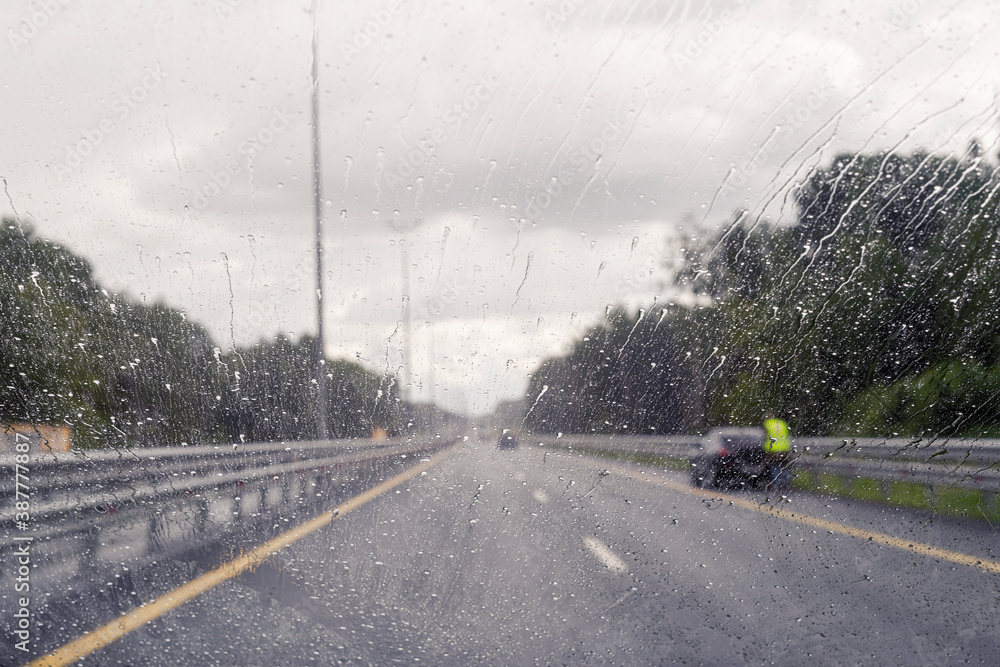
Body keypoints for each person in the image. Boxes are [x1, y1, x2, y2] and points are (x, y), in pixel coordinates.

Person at [762, 416, 792, 491]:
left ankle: (776, 484)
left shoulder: (767, 423)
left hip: (773, 449)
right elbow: (787, 435)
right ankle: (785, 484)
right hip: (785, 448)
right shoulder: (782, 423)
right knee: (783, 466)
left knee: (774, 466)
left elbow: (765, 436)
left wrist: (764, 448)